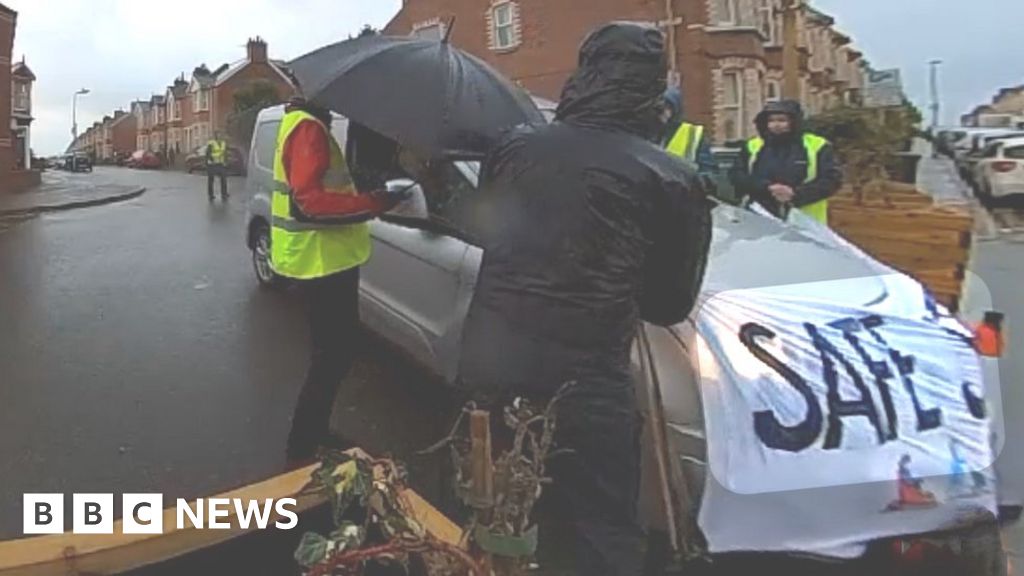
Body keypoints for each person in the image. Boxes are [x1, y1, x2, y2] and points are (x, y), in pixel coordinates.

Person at [458, 23, 712, 576]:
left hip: (493, 358)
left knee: (497, 500)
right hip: (588, 377)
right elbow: (668, 304)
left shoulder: (515, 146)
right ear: (653, 89)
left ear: (584, 73)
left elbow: (488, 230)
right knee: (603, 520)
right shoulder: (672, 176)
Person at [274, 97, 401, 462]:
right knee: (332, 357)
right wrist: (372, 203)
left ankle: (312, 432)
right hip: (322, 261)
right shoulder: (308, 127)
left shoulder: (305, 123)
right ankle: (300, 448)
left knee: (332, 355)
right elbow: (310, 202)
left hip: (323, 258)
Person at [731, 99, 842, 224]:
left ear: (794, 122)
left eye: (782, 120)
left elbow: (831, 179)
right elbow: (738, 176)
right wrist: (768, 188)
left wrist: (796, 194)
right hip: (760, 218)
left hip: (806, 221)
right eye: (771, 121)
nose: (776, 125)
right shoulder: (752, 146)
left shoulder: (817, 145)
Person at [661, 86, 718, 179]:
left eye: (667, 107)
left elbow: (709, 172)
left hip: (685, 190)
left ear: (675, 108)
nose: (663, 112)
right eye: (658, 108)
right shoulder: (645, 131)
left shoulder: (693, 133)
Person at [205, 131, 230, 201]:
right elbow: (208, 153)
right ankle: (211, 195)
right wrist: (209, 161)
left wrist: (226, 161)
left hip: (221, 164)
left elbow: (225, 153)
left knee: (224, 179)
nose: (219, 136)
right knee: (211, 180)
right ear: (215, 136)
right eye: (218, 135)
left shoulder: (223, 143)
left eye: (220, 135)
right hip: (212, 165)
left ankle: (224, 194)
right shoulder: (211, 143)